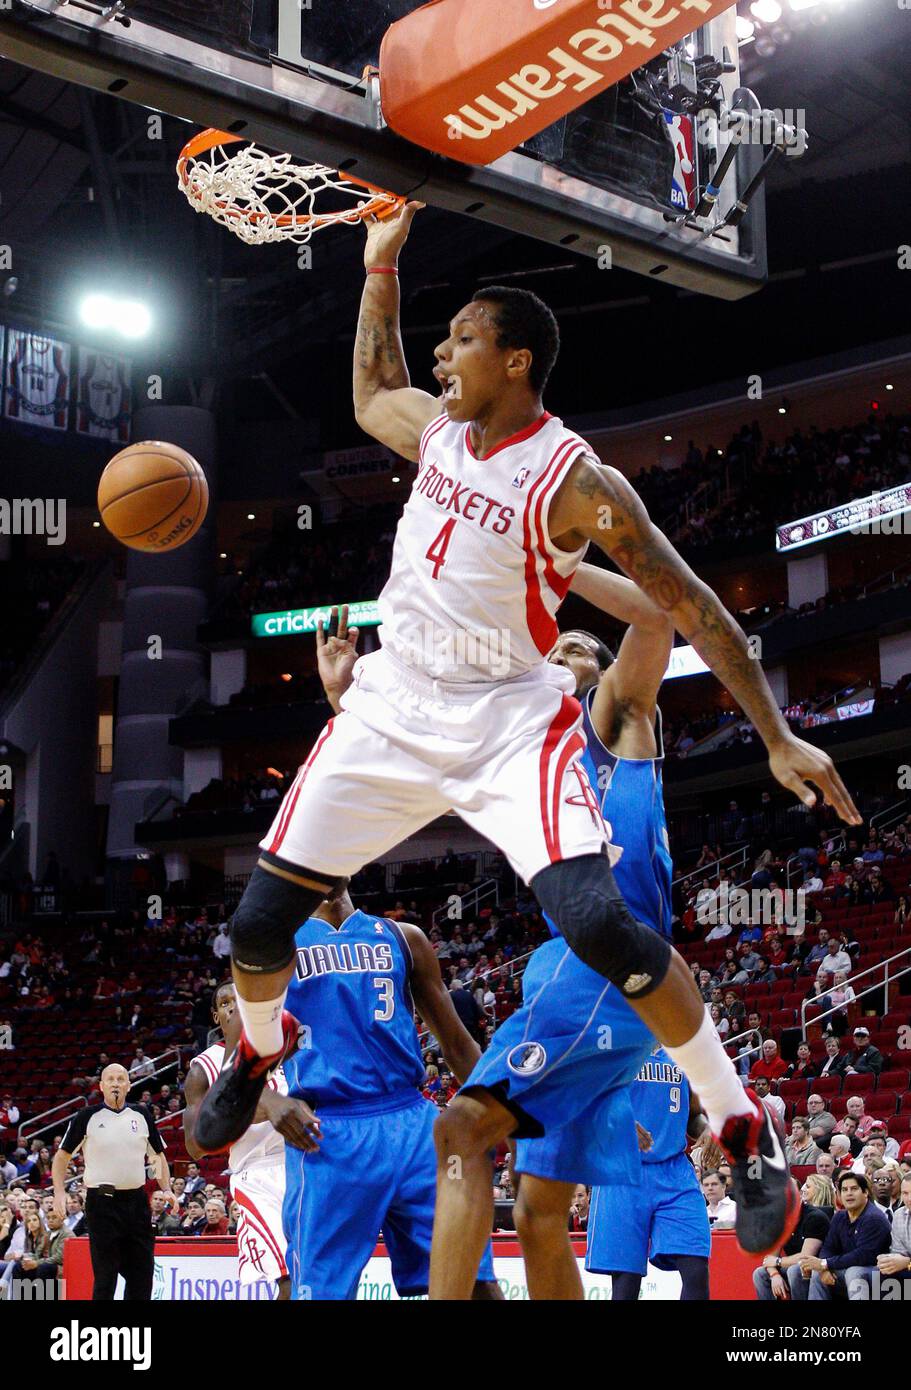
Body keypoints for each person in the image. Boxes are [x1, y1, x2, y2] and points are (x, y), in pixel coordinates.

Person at [195, 203, 859, 1279]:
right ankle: (258, 1052)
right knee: (256, 929)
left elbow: (687, 603)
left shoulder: (573, 482)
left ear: (514, 360)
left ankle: (741, 1129)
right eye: (443, 336)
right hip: (392, 704)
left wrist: (775, 732)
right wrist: (381, 264)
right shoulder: (440, 433)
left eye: (461, 338)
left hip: (509, 716)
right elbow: (369, 392)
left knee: (599, 922)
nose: (444, 356)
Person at [280, 883, 500, 1301]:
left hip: (412, 1121)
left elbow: (457, 1044)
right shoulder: (277, 943)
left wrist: (514, 1121)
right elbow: (239, 1062)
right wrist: (273, 1102)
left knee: (473, 1277)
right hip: (330, 1129)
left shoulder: (404, 937)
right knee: (321, 1292)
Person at [183, 981, 298, 1300]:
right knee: (287, 1280)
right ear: (216, 1016)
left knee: (311, 1274)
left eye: (238, 999)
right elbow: (194, 1147)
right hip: (256, 1176)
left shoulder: (283, 1047)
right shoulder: (203, 1067)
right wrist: (260, 1108)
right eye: (224, 1003)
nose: (232, 1006)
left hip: (299, 1165)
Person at [586, 1046, 712, 1301]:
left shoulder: (683, 1052)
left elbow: (693, 1115)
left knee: (696, 1269)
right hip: (622, 1172)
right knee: (626, 1284)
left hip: (675, 1171)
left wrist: (708, 1131)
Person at [50, 1062, 179, 1300]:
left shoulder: (142, 1114)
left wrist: (167, 1188)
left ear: (129, 1085)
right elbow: (61, 1157)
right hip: (102, 1203)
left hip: (137, 1202)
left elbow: (157, 1155)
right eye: (110, 1079)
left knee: (143, 1273)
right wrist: (59, 1192)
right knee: (106, 1275)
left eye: (121, 1079)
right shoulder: (86, 1116)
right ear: (101, 1086)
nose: (116, 1083)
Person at [800, 1171, 891, 1300]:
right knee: (816, 1273)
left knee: (854, 1272)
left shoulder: (874, 1218)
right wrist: (823, 1268)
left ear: (865, 1193)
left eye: (854, 1189)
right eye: (844, 1190)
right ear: (839, 1194)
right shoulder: (840, 1217)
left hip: (877, 1272)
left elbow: (862, 1256)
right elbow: (828, 1247)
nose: (848, 1193)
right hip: (848, 1268)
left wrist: (825, 1264)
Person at [753, 1174, 833, 1301]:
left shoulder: (815, 1217)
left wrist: (777, 1262)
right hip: (792, 1265)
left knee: (795, 1270)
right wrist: (774, 1274)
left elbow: (805, 1257)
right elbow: (769, 1258)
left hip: (817, 1268)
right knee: (760, 1274)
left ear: (800, 1194)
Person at [846, 1175, 911, 1298]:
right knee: (882, 1273)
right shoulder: (899, 1215)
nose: (909, 1198)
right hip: (906, 1270)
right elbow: (898, 1252)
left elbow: (905, 1261)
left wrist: (907, 1263)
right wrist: (889, 1260)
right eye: (905, 1193)